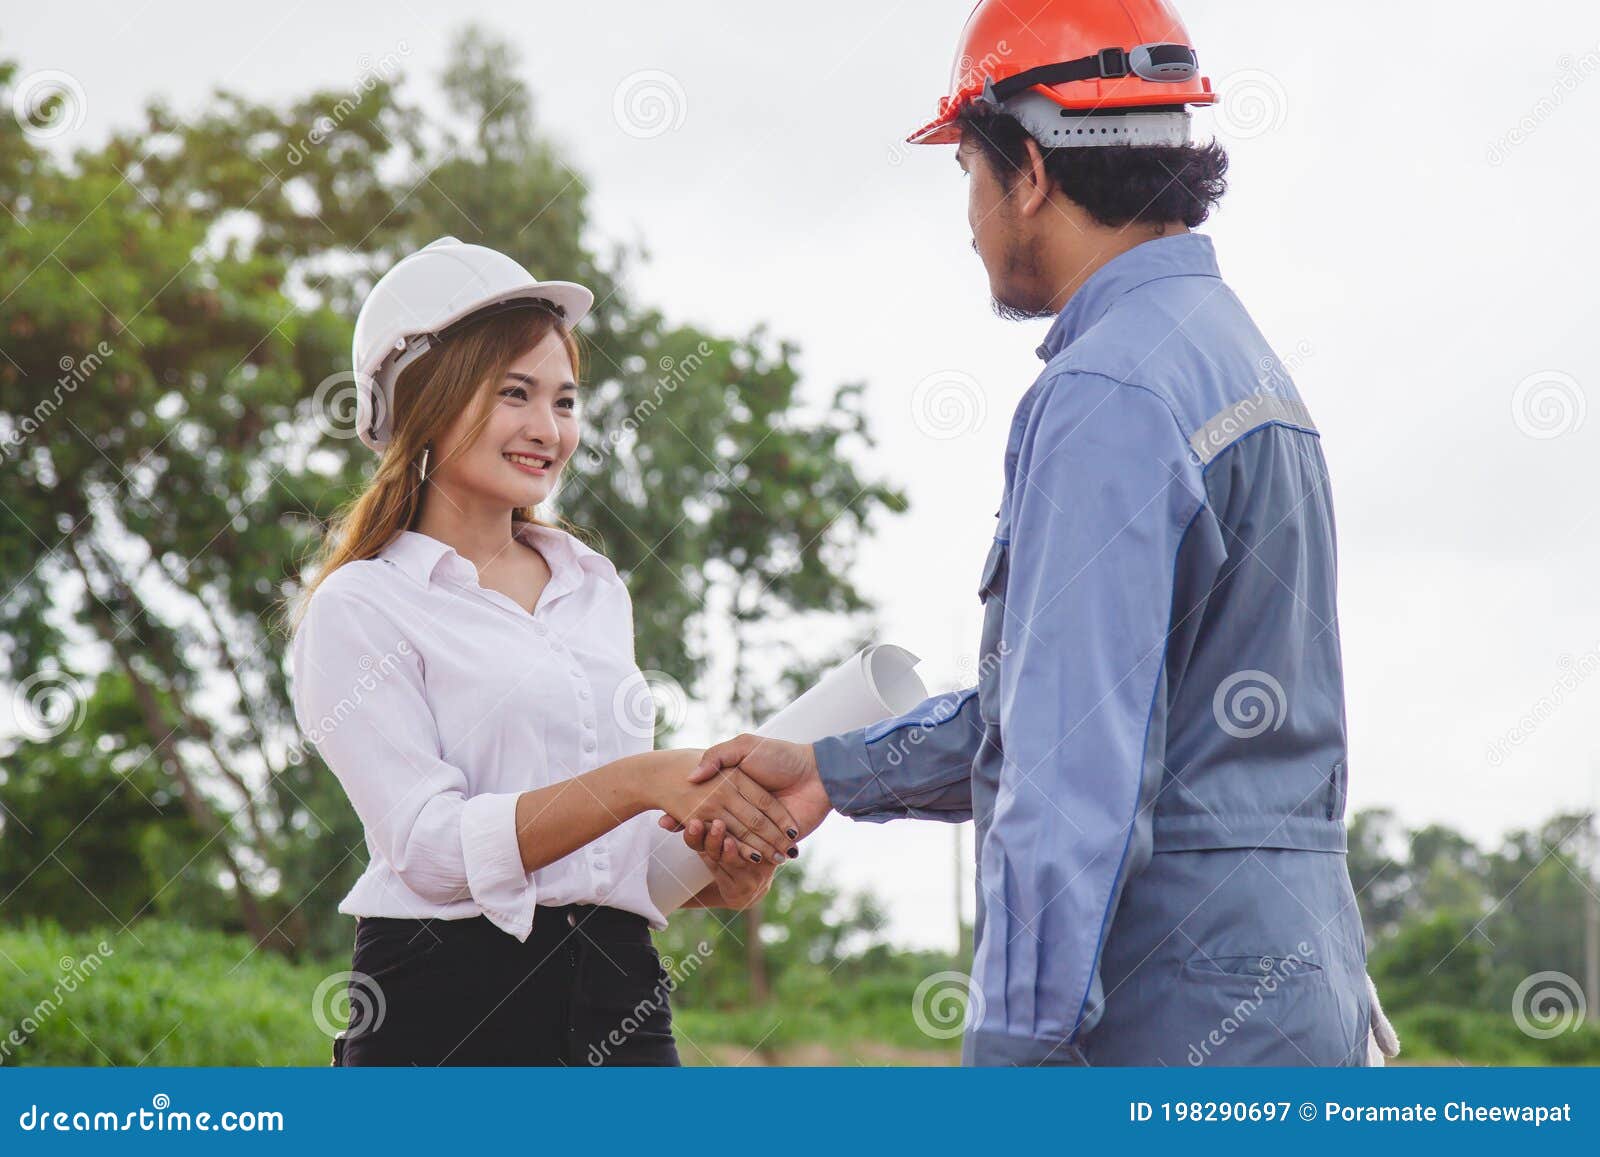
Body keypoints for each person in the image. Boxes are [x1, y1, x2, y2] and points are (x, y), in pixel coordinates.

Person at [679, 0, 1387, 1066]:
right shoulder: (1233, 359)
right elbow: (1101, 707)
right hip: (1295, 993)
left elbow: (1070, 775)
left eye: (967, 171)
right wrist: (836, 768)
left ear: (1031, 172)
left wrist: (1010, 1058)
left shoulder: (1107, 391)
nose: (968, 217)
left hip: (1172, 1018)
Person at [288, 237, 797, 1066]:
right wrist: (638, 780)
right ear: (426, 400)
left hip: (620, 996)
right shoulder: (362, 605)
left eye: (564, 401)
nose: (548, 428)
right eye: (514, 394)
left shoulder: (595, 588)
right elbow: (431, 849)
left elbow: (604, 862)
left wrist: (720, 876)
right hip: (445, 1012)